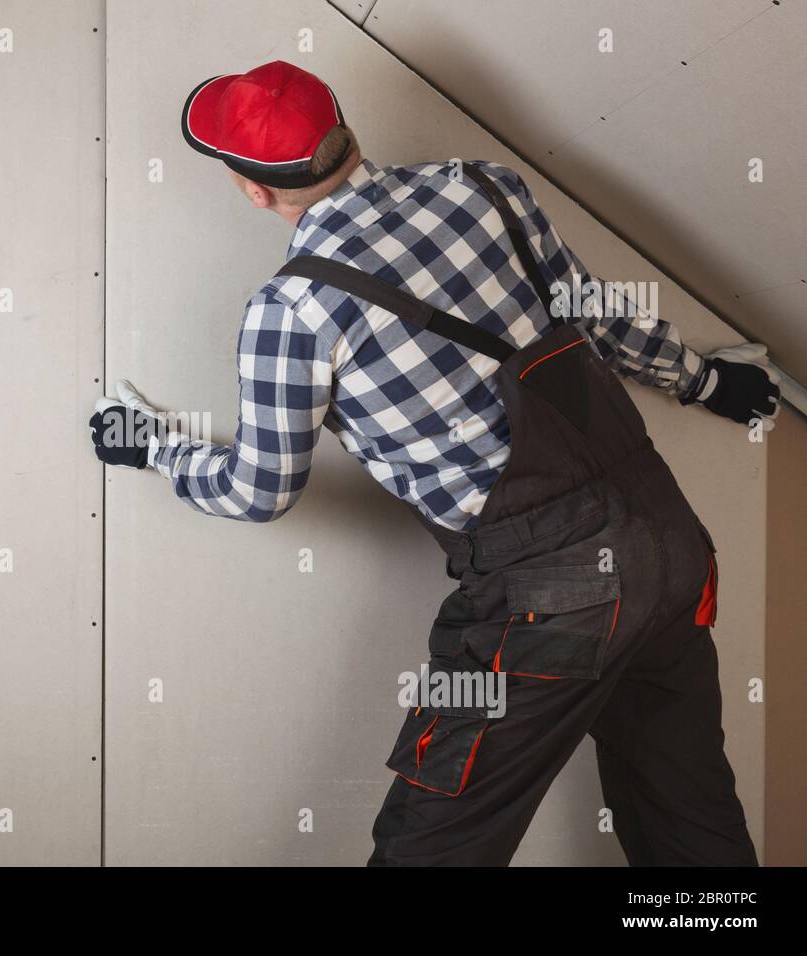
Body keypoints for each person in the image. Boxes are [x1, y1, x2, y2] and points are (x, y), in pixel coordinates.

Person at [89, 60, 777, 865]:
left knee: (432, 844)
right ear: (346, 133)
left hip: (542, 606)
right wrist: (709, 382)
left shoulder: (292, 311)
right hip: (672, 548)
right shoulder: (487, 189)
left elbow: (259, 491)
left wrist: (154, 446)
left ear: (252, 190)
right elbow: (600, 319)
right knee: (689, 823)